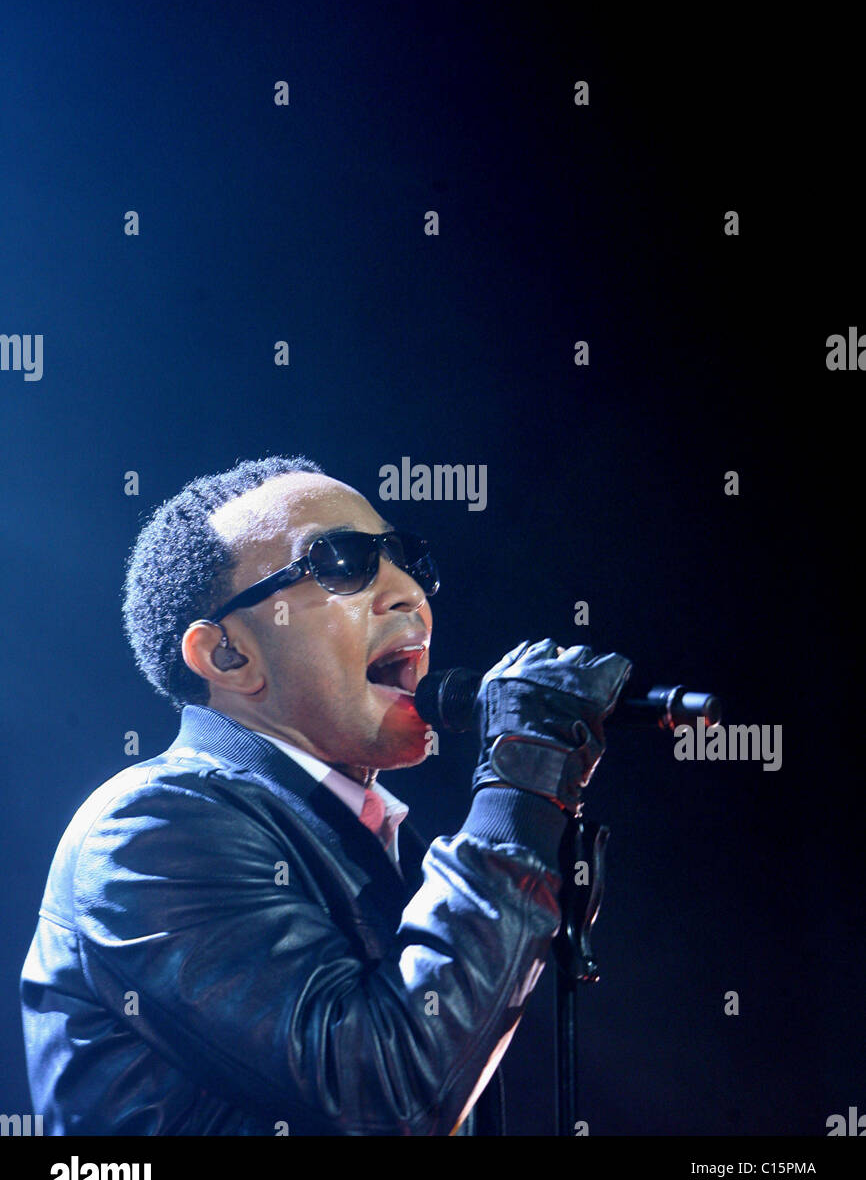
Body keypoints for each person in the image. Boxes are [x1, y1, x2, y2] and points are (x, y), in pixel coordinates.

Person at [20, 455, 631, 1135]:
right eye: (341, 563)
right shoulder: (148, 829)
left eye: (407, 561)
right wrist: (521, 785)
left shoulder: (387, 841)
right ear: (229, 656)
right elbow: (382, 1090)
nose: (408, 594)